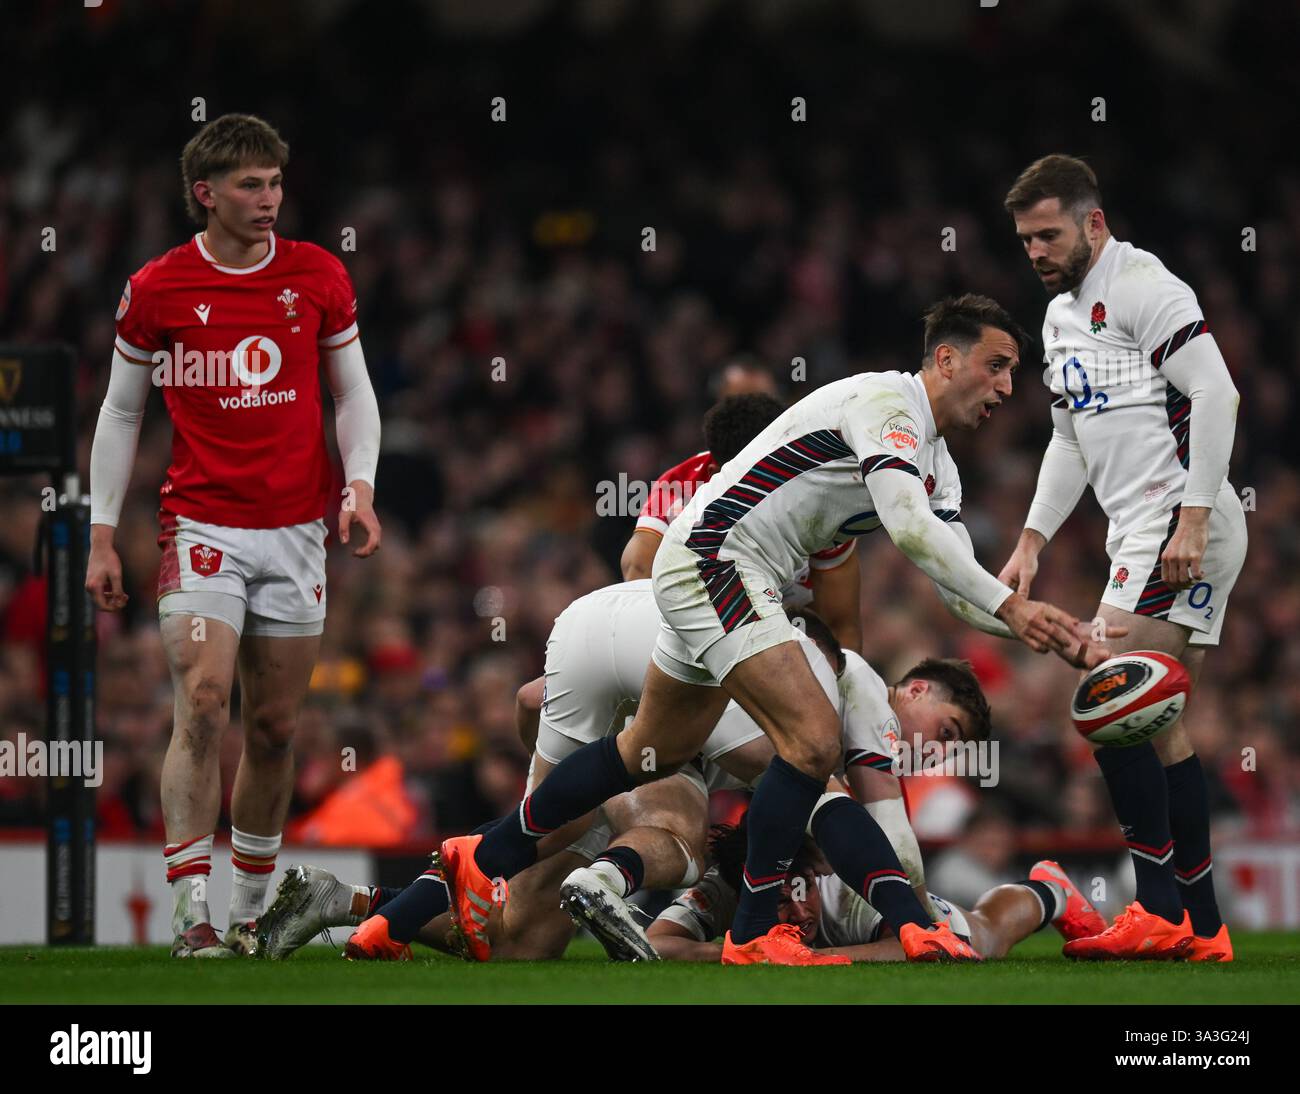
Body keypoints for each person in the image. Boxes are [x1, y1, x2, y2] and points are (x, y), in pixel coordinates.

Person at [437, 293, 1118, 966]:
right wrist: (1012, 608)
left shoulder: (939, 467)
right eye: (996, 365)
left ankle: (483, 855)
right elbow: (909, 530)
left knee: (650, 746)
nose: (1006, 386)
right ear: (945, 359)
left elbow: (956, 581)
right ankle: (754, 931)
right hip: (720, 560)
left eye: (1012, 372)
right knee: (813, 738)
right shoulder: (889, 407)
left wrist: (1038, 629)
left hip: (716, 566)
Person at [85, 114, 382, 957]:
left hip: (296, 529)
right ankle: (190, 912)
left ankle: (251, 909)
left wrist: (360, 487)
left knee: (278, 727)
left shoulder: (318, 275)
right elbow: (119, 410)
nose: (269, 200)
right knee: (205, 699)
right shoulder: (157, 289)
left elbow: (353, 396)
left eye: (276, 183)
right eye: (251, 185)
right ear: (205, 194)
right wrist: (103, 534)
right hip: (200, 523)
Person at [999, 155, 1245, 962]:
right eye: (1025, 239)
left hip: (1175, 526)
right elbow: (1070, 439)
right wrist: (1033, 538)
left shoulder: (1143, 285)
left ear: (1092, 223)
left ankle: (1160, 909)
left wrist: (1194, 517)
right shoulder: (1060, 316)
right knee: (1157, 726)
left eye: (1049, 234)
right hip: (1150, 533)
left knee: (1109, 699)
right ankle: (1199, 926)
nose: (1035, 251)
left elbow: (1217, 393)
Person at [647, 817, 1106, 963]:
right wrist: (735, 952)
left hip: (916, 920)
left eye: (798, 892)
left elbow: (907, 947)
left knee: (989, 934)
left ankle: (1050, 889)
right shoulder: (721, 886)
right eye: (777, 903)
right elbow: (655, 942)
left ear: (815, 872)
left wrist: (815, 959)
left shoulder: (845, 890)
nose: (796, 913)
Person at [621, 393, 862, 651]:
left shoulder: (822, 498)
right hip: (699, 630)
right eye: (753, 486)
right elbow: (638, 569)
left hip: (793, 630)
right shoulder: (680, 490)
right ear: (715, 475)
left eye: (775, 479)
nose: (765, 496)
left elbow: (840, 627)